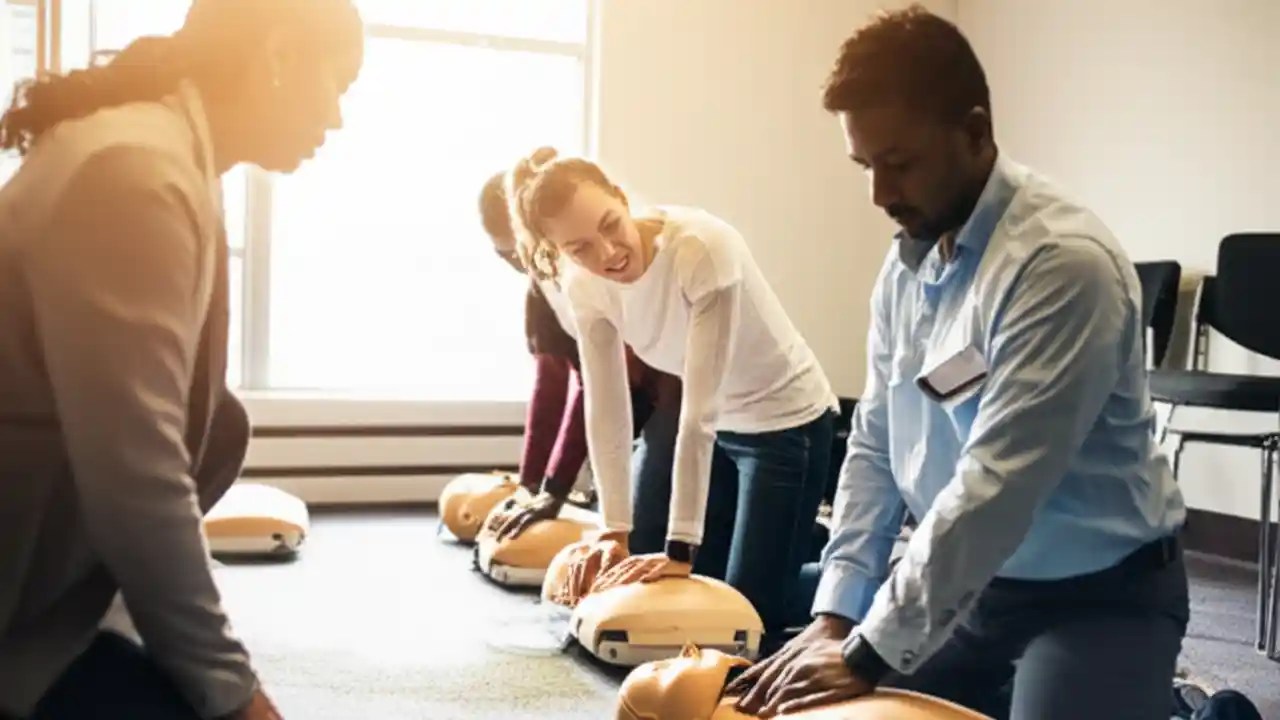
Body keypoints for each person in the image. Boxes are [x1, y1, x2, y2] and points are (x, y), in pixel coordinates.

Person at [727, 6, 1188, 720]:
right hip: (972, 588)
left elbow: (996, 487)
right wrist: (840, 616)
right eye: (866, 166)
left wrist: (868, 653)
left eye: (899, 164)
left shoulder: (1061, 267)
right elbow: (876, 442)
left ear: (975, 132)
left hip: (1097, 595)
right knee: (801, 705)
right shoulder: (909, 260)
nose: (879, 194)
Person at [0, 1, 364, 719]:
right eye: (338, 84)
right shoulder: (132, 173)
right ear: (280, 56)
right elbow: (137, 478)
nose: (337, 118)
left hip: (49, 594)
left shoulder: (164, 158)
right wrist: (235, 696)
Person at [506, 149, 840, 639]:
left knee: (748, 612)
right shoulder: (584, 286)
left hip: (784, 422)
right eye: (579, 248)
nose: (608, 253)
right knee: (704, 592)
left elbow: (698, 409)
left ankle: (874, 577)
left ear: (622, 198)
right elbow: (607, 407)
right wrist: (614, 531)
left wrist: (679, 548)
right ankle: (786, 544)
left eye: (610, 224)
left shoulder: (701, 249)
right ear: (559, 252)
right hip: (721, 429)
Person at [475, 154, 686, 552]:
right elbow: (551, 384)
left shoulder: (594, 279)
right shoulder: (540, 292)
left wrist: (555, 488)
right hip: (623, 406)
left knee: (641, 535)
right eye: (504, 258)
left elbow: (602, 383)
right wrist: (530, 485)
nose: (518, 266)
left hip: (668, 396)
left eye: (520, 253)